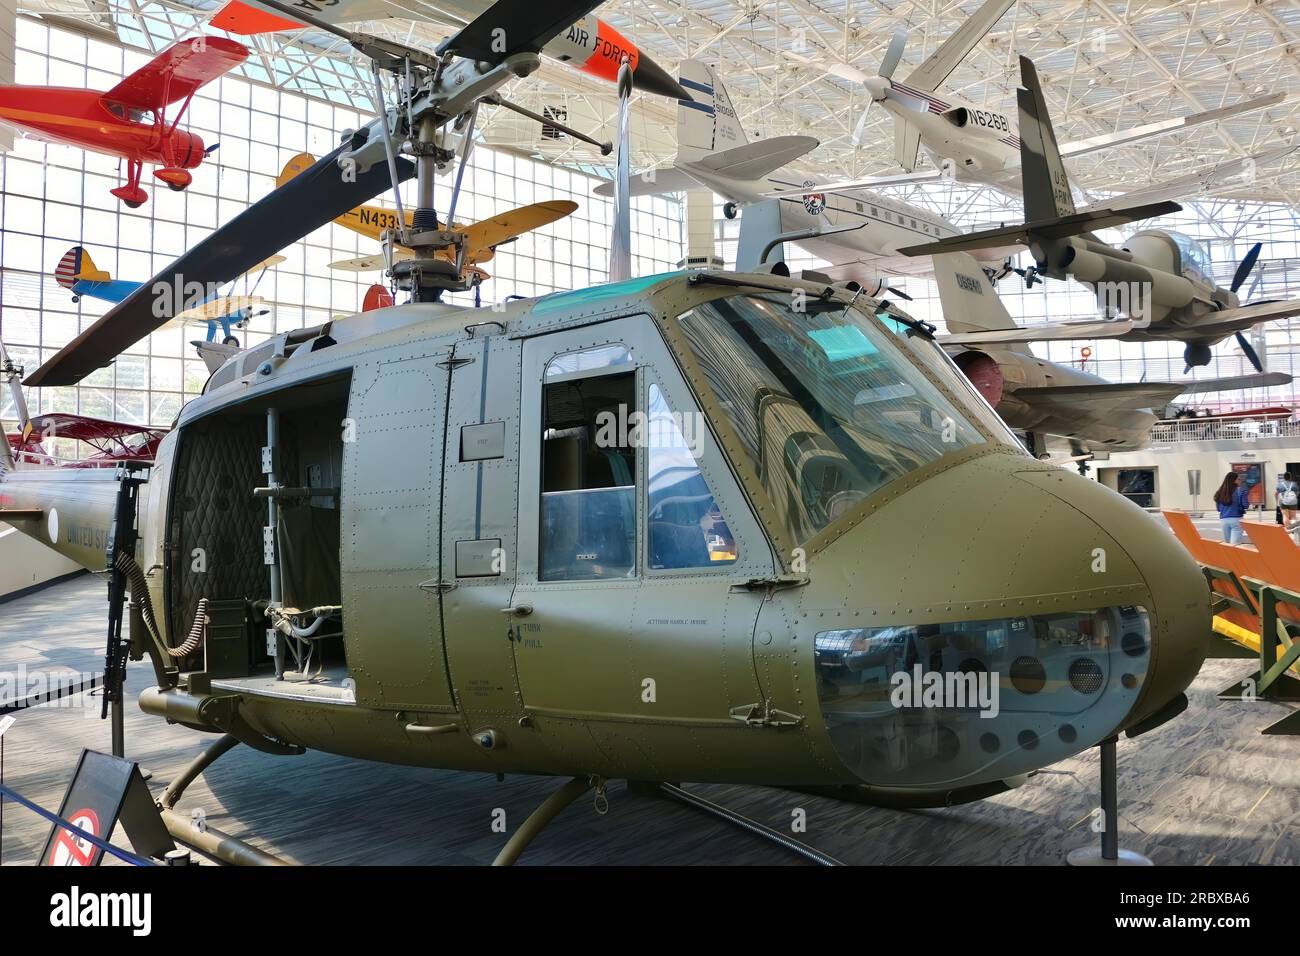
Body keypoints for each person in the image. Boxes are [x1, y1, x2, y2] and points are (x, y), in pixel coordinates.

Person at [1214, 471, 1249, 544]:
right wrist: (1244, 496)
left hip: (1224, 520)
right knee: (1235, 545)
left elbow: (1218, 509)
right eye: (1238, 479)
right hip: (1236, 520)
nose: (1240, 481)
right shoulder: (1240, 490)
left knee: (1228, 544)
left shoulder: (1220, 492)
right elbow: (1245, 505)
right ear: (1233, 480)